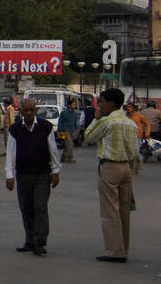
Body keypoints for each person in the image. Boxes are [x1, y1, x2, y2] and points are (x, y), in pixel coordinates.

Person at [82, 88, 138, 263]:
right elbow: (134, 151)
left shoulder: (107, 122)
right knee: (123, 212)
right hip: (126, 168)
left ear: (111, 104)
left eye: (103, 102)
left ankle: (115, 251)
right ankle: (124, 248)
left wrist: (95, 120)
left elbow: (88, 137)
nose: (101, 106)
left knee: (110, 212)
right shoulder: (131, 124)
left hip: (110, 167)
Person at [4, 98, 61, 256]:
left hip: (42, 174)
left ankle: (39, 242)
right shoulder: (15, 129)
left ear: (35, 110)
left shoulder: (45, 127)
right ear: (20, 111)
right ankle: (29, 240)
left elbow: (53, 150)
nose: (28, 113)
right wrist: (10, 175)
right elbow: (11, 153)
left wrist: (55, 171)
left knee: (40, 206)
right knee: (27, 208)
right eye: (25, 110)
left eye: (31, 110)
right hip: (23, 175)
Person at [124, 102, 150, 174]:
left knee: (136, 152)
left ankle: (141, 161)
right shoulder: (125, 116)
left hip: (138, 136)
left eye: (129, 107)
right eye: (127, 107)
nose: (128, 108)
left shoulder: (138, 116)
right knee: (130, 153)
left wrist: (147, 133)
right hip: (128, 136)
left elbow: (147, 123)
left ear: (133, 108)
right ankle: (134, 169)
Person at [57, 100, 79, 164]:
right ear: (69, 105)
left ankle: (64, 157)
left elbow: (75, 121)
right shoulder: (64, 113)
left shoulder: (74, 113)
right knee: (70, 144)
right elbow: (60, 121)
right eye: (73, 105)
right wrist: (60, 130)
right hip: (65, 130)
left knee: (67, 145)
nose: (74, 106)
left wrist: (77, 128)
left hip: (72, 130)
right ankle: (70, 158)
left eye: (75, 105)